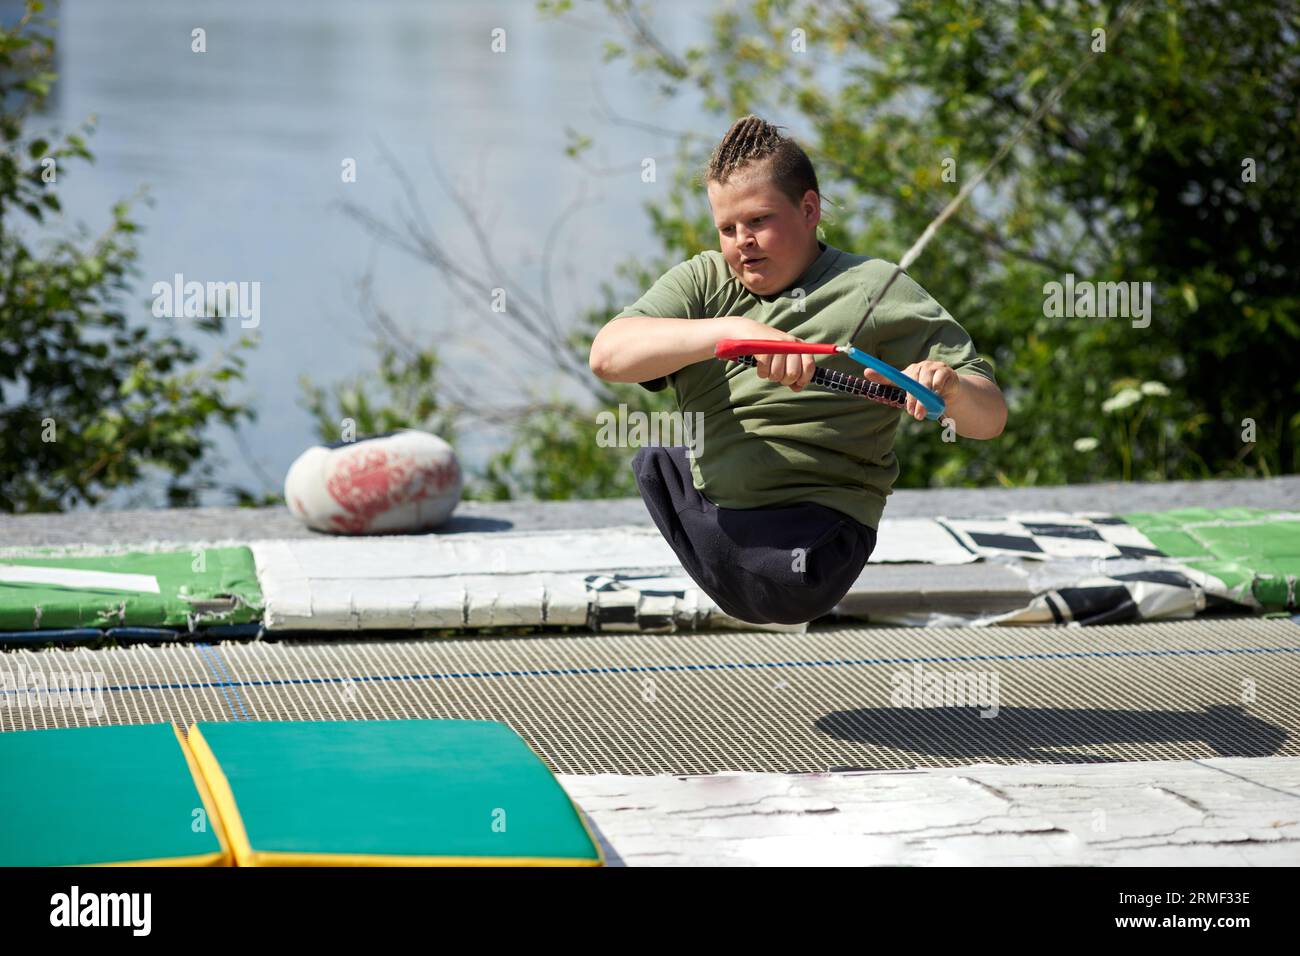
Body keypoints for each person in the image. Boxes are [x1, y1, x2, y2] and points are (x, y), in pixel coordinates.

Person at [589, 115, 1008, 625]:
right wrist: (733, 333)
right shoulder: (703, 281)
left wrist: (952, 390)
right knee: (657, 464)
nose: (742, 240)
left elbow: (990, 419)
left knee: (690, 487)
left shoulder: (873, 287)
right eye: (727, 228)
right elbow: (608, 355)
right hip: (720, 536)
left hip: (816, 550)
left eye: (759, 221)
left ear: (808, 209)